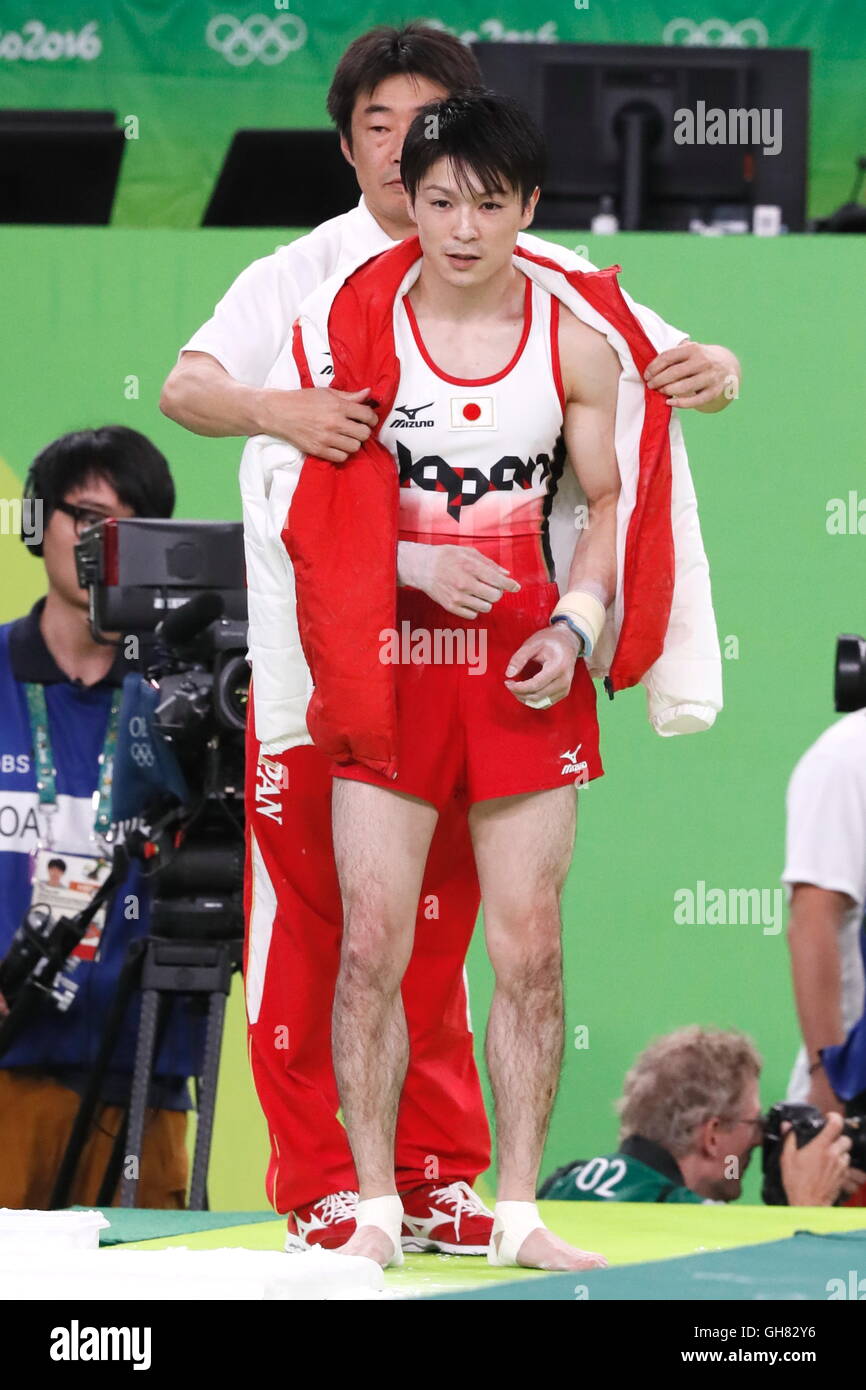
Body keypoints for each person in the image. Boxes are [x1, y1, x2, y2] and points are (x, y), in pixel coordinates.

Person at [161, 22, 740, 1255]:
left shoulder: (557, 288)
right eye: (382, 131)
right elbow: (200, 398)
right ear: (358, 149)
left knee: (481, 939)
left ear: (503, 180)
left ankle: (453, 1186)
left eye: (436, 137)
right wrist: (292, 414)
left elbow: (650, 387)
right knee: (335, 927)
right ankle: (332, 1189)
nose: (414, 166)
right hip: (338, 654)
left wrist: (716, 369)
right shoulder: (313, 288)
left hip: (508, 668)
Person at [0, 427, 198, 1209]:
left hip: (146, 1072)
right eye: (83, 518)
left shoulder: (191, 699)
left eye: (126, 526)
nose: (101, 544)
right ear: (34, 525)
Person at [540, 1027, 856, 1207]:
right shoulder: (687, 1217)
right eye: (754, 1123)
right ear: (712, 1135)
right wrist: (808, 1207)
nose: (759, 1140)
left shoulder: (563, 1182)